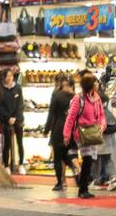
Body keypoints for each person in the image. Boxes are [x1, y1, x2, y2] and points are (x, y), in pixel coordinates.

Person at [63, 72, 106, 200]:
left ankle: (83, 186)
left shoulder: (97, 98)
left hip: (93, 133)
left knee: (90, 160)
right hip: (82, 133)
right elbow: (70, 117)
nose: (97, 84)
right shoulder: (79, 99)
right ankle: (83, 189)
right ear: (90, 85)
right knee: (87, 160)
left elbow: (102, 115)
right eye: (95, 82)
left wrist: (102, 126)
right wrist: (66, 134)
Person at [44, 74, 78, 190]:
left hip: (58, 130)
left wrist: (46, 129)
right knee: (70, 155)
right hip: (72, 131)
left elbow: (51, 114)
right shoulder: (76, 97)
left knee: (58, 158)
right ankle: (77, 171)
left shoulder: (56, 96)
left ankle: (60, 182)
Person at [0, 68, 24, 174]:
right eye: (7, 76)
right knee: (7, 144)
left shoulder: (18, 88)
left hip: (18, 118)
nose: (10, 78)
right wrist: (8, 118)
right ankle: (6, 166)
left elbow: (20, 105)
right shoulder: (0, 90)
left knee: (20, 142)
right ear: (4, 77)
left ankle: (21, 164)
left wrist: (15, 117)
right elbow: (1, 107)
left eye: (11, 76)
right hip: (6, 120)